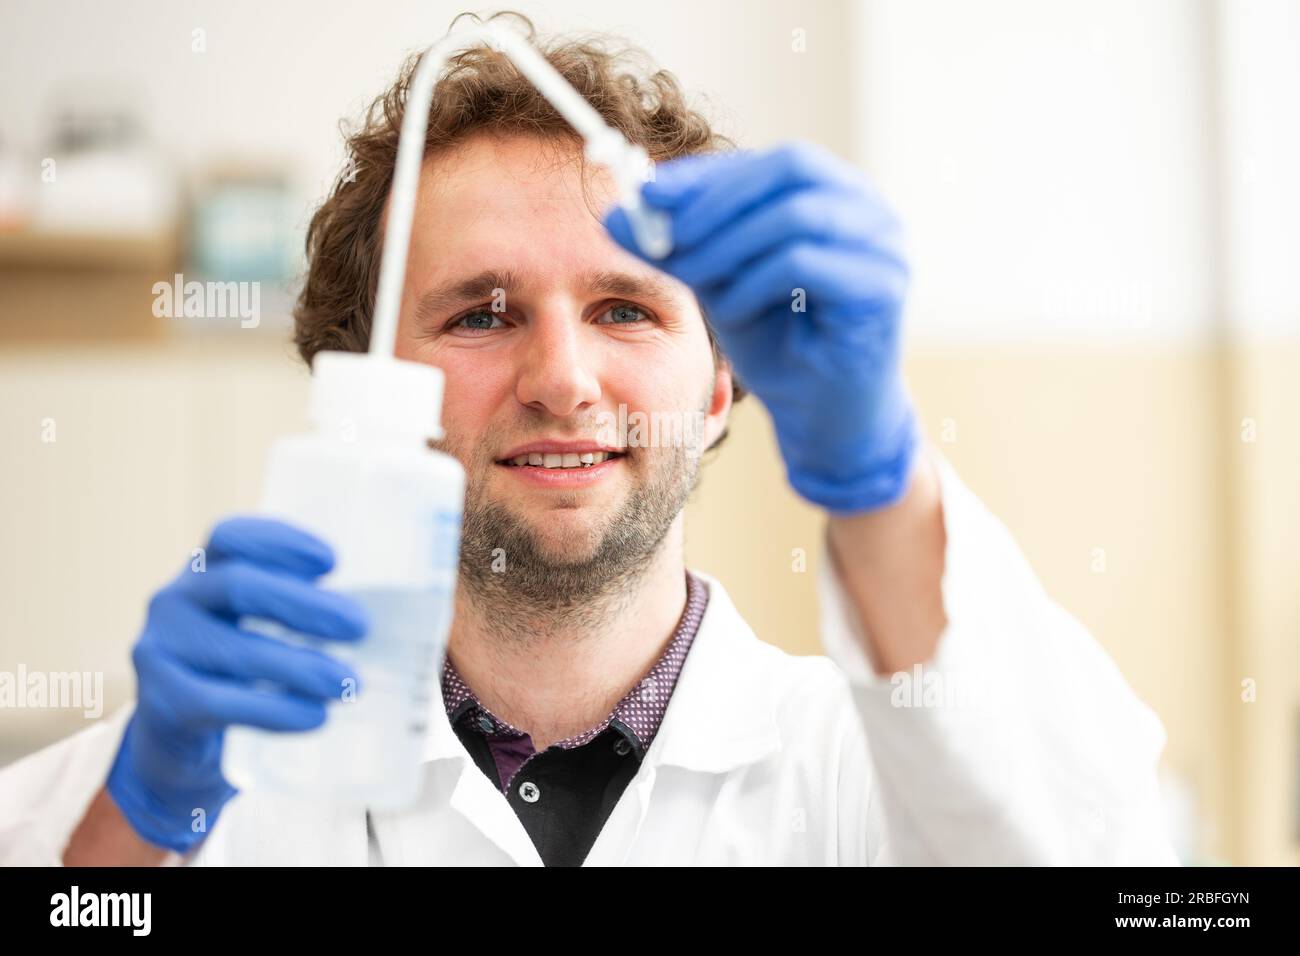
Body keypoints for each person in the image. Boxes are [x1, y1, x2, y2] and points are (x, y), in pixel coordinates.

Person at [0, 13, 1176, 866]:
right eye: (481, 313)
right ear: (371, 390)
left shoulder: (861, 769)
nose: (561, 379)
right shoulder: (198, 774)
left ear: (721, 380)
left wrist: (880, 482)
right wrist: (132, 838)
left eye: (625, 307)